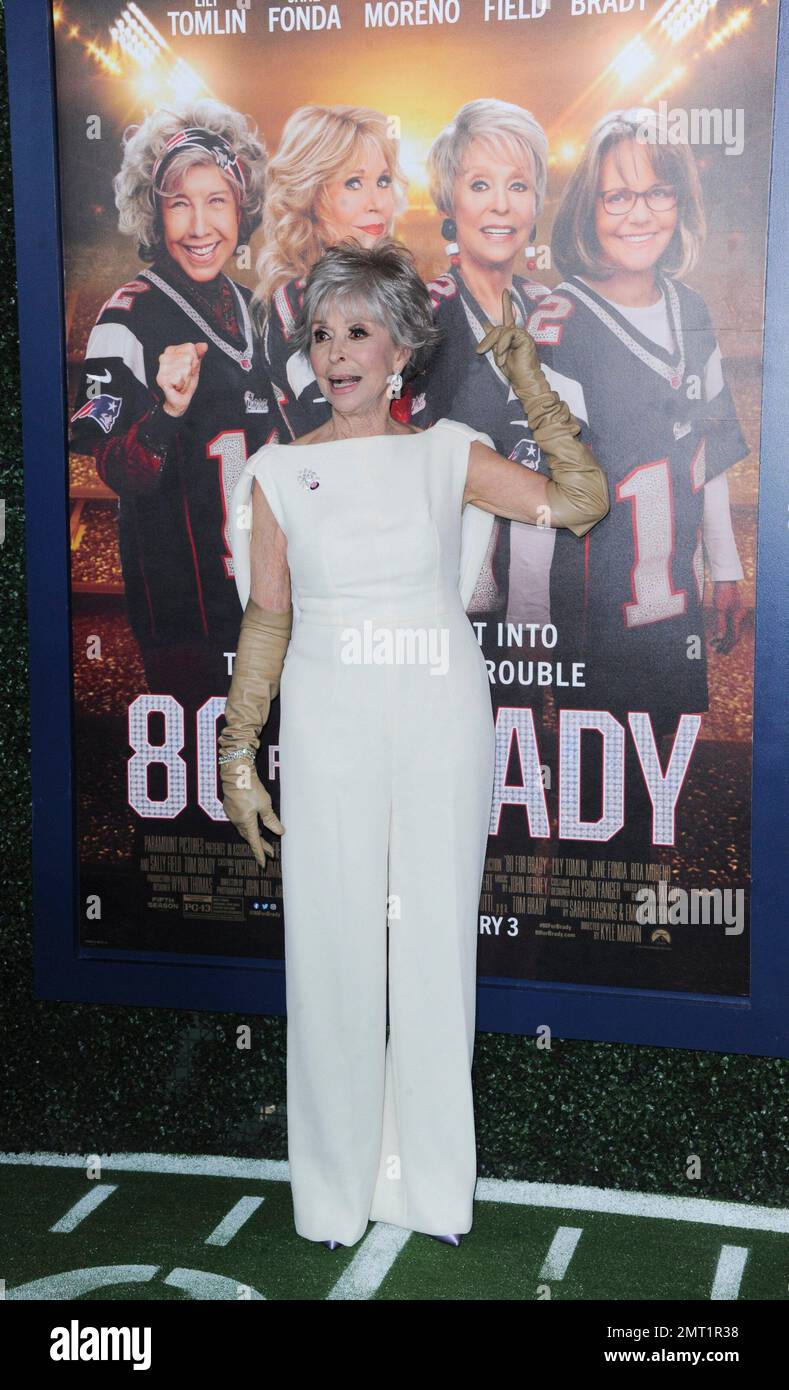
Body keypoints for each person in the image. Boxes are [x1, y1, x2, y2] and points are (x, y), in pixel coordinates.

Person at [219, 240, 609, 1249]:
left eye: (357, 330)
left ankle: (428, 1185)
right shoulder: (279, 469)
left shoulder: (448, 452)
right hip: (327, 716)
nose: (335, 352)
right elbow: (268, 615)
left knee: (435, 950)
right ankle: (335, 1192)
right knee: (331, 952)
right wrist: (237, 749)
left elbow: (579, 502)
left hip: (439, 714)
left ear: (401, 349)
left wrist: (528, 379)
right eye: (320, 332)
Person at [535, 107, 748, 735]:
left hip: (674, 606)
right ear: (588, 210)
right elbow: (538, 503)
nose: (639, 213)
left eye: (658, 191)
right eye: (618, 195)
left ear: (680, 200)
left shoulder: (693, 309)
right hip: (594, 616)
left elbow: (707, 457)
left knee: (661, 806)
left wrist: (727, 568)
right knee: (600, 811)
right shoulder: (560, 322)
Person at [69, 98, 274, 703]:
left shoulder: (257, 309)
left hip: (266, 598)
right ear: (152, 214)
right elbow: (110, 467)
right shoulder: (124, 317)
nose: (201, 225)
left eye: (217, 201)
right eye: (179, 204)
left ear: (242, 207)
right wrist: (166, 415)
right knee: (205, 782)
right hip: (182, 612)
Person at [411, 98, 556, 624]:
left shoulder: (557, 314)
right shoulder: (417, 316)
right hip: (443, 613)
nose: (500, 204)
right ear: (449, 202)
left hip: (546, 616)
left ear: (536, 204)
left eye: (517, 185)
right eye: (479, 185)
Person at [251, 105, 409, 441]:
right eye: (353, 183)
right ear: (311, 197)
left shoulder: (399, 296)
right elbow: (348, 433)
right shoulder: (294, 305)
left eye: (383, 181)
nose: (376, 201)